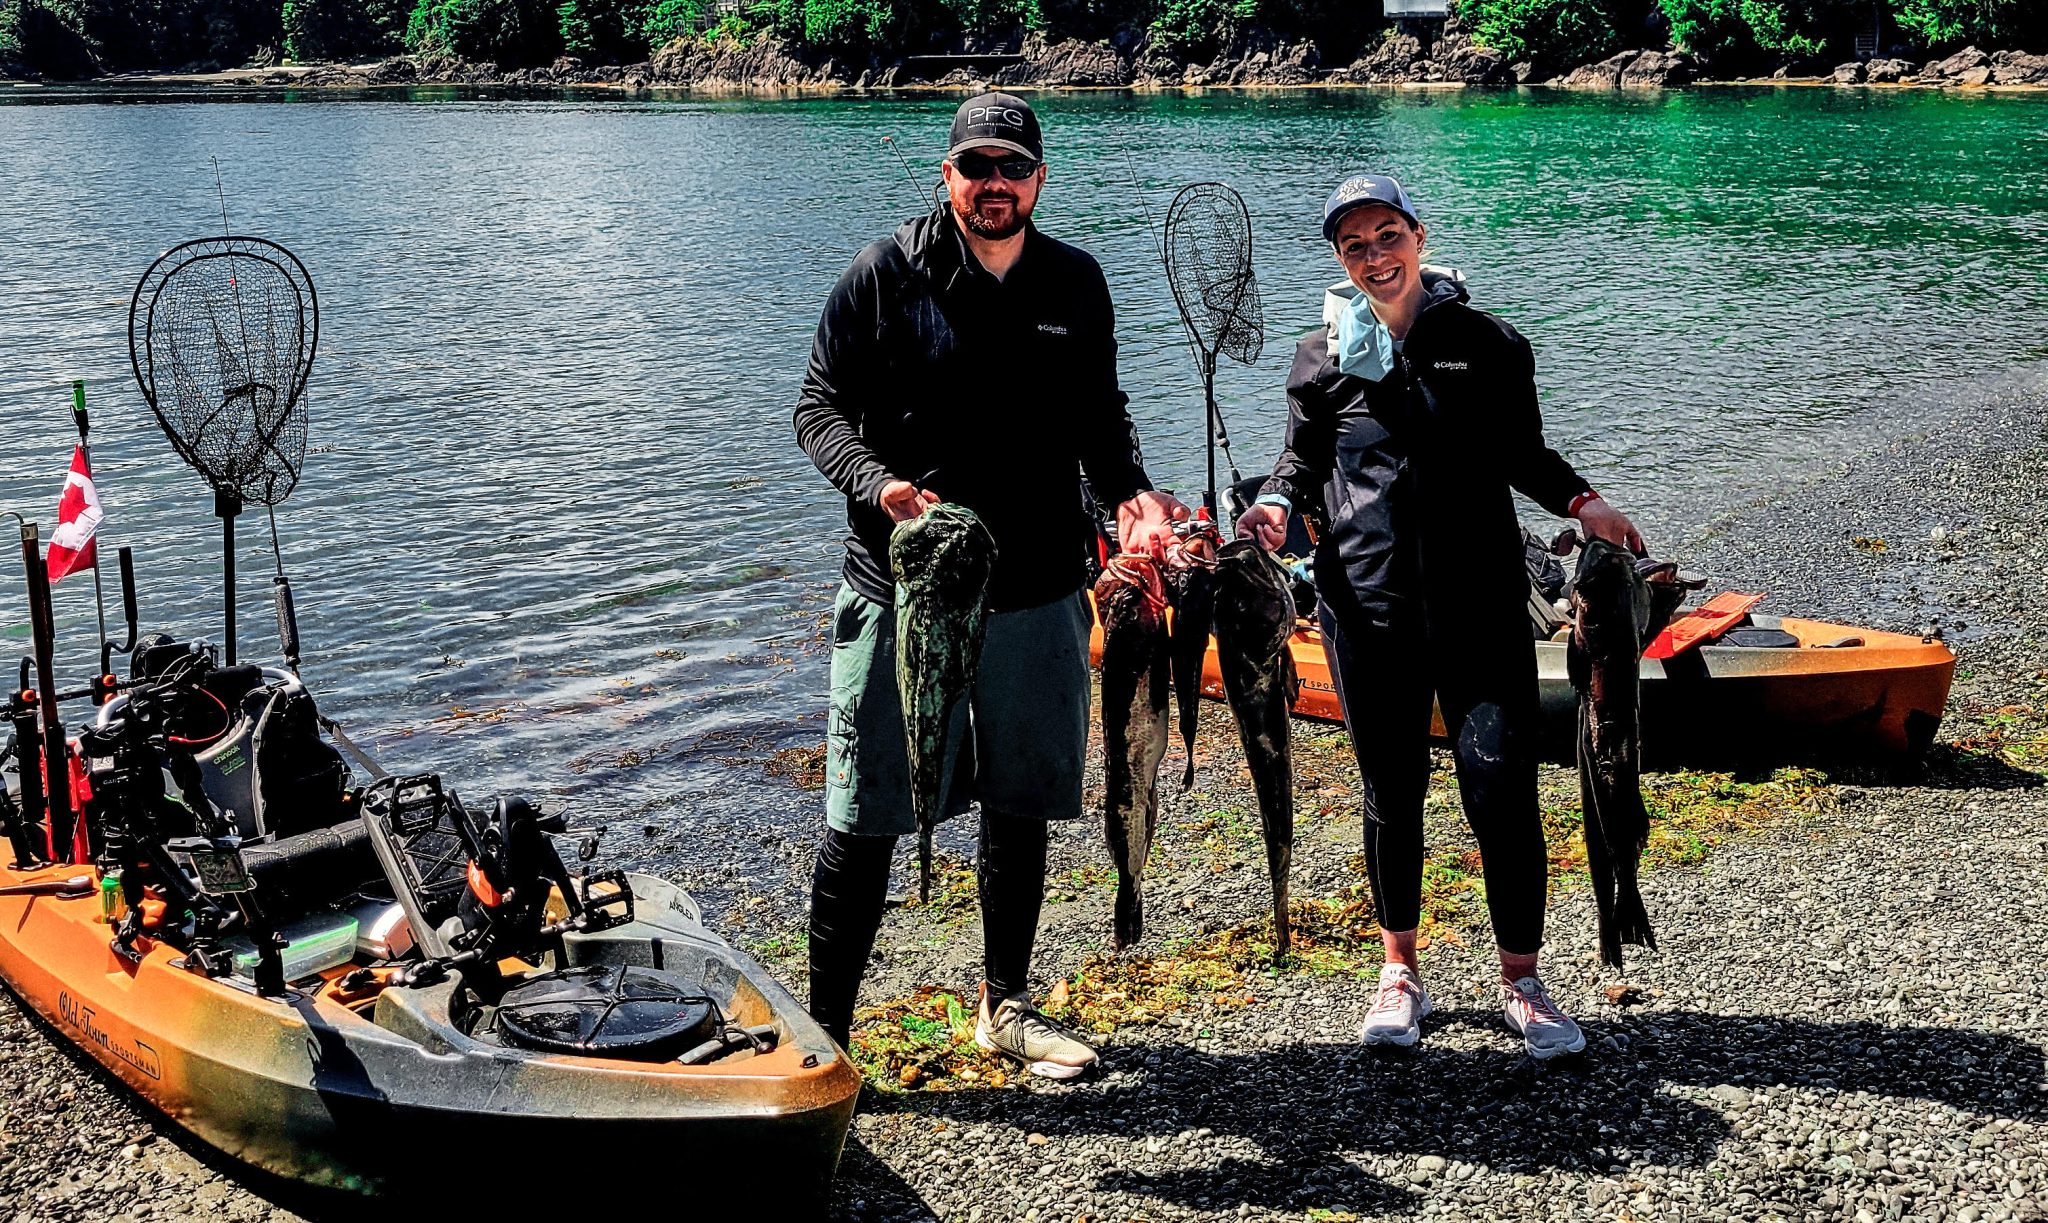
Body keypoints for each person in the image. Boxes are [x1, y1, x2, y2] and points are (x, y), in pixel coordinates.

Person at [793, 93, 1187, 1080]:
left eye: (1012, 166)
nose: (993, 184)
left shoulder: (1074, 280)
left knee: (1018, 803)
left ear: (1039, 179)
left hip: (1040, 589)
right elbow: (817, 406)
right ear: (947, 176)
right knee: (863, 812)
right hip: (903, 592)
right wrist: (874, 484)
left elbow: (1100, 419)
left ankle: (1001, 1004)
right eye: (975, 166)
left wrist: (1130, 498)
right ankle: (824, 1040)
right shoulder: (882, 274)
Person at [1235, 173, 1644, 1060]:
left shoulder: (1488, 344)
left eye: (1388, 236)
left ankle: (1523, 982)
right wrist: (1272, 505)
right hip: (1365, 610)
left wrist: (1584, 501)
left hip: (1481, 608)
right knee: (1391, 793)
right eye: (1355, 246)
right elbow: (1300, 462)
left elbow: (1522, 451)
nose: (1375, 256)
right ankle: (1400, 972)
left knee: (1499, 785)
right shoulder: (1321, 355)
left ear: (1418, 237)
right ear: (1340, 260)